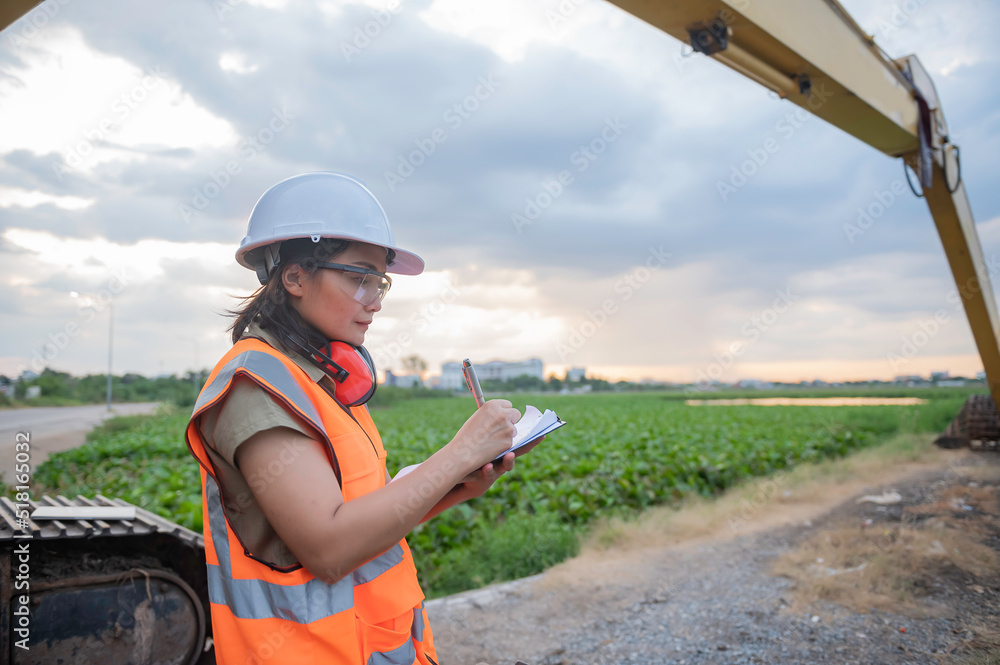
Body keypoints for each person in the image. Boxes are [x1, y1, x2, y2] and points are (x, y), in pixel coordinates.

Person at [185, 172, 539, 664]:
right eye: (358, 277)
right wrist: (459, 452)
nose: (374, 299)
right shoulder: (256, 387)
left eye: (380, 281)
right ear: (295, 277)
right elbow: (329, 548)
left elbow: (362, 520)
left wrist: (454, 484)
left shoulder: (320, 381)